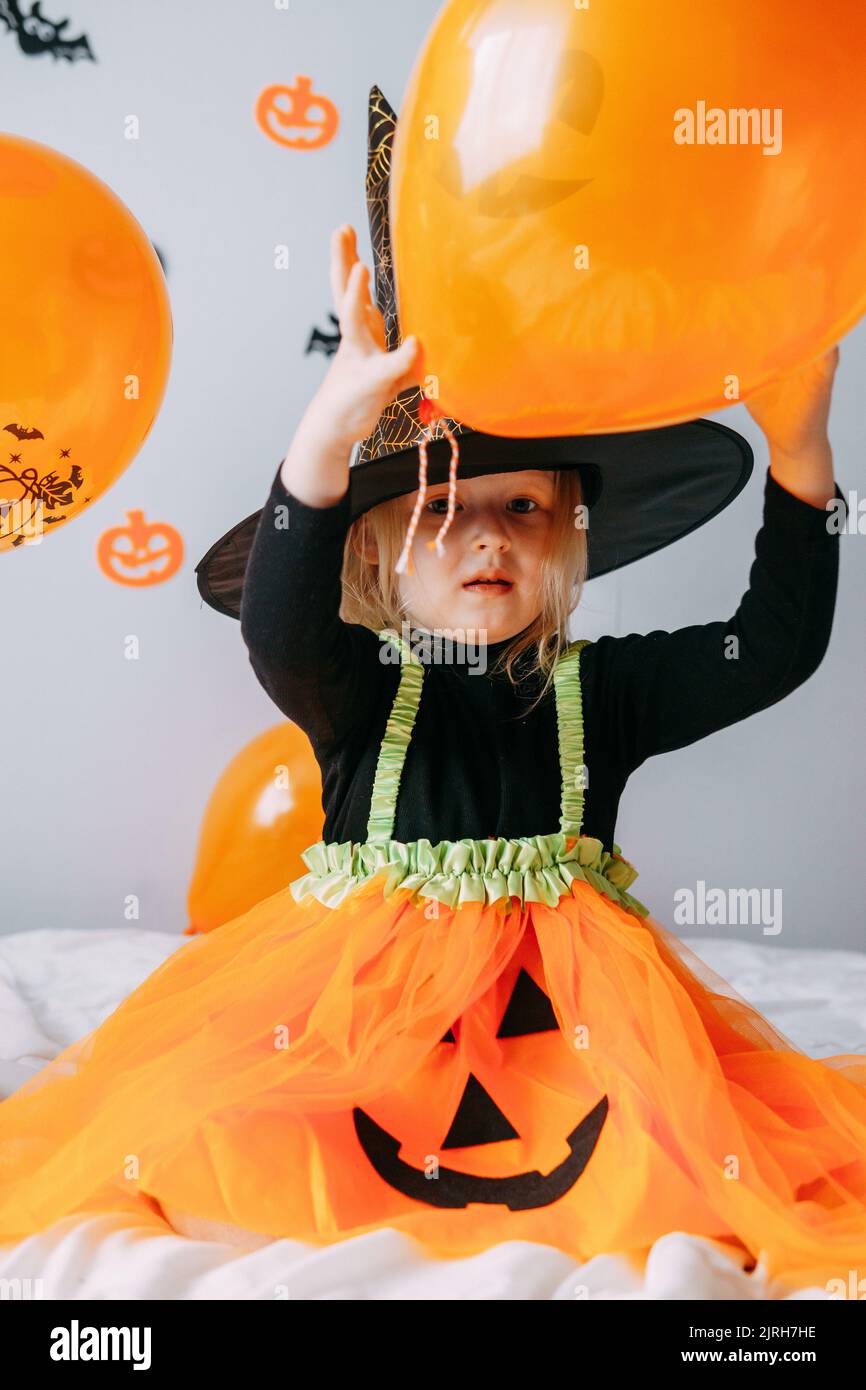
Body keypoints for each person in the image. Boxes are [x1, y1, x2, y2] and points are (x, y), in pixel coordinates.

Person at [0, 90, 864, 1297]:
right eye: (442, 511)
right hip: (368, 1033)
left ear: (565, 532)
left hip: (558, 1030)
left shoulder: (598, 689)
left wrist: (801, 461)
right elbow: (277, 624)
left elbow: (768, 649)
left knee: (676, 1154)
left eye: (520, 506)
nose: (484, 537)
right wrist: (334, 422)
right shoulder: (354, 692)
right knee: (218, 1143)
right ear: (377, 554)